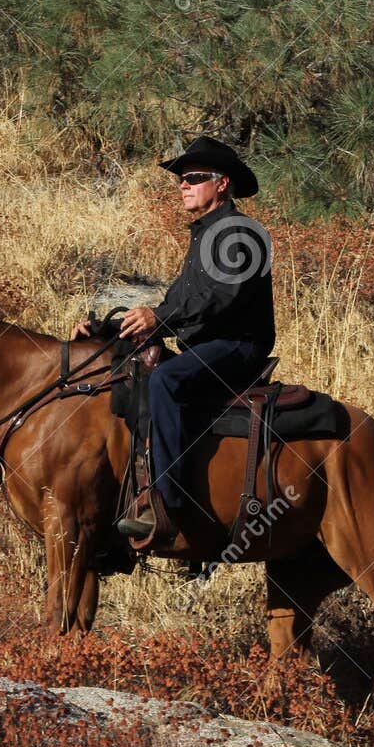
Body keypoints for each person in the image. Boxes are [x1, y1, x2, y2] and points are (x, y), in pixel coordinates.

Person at [72, 136, 275, 543]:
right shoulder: (203, 236)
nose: (183, 184)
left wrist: (160, 317)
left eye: (195, 177)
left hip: (239, 346)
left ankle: (169, 503)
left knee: (167, 380)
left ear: (222, 184)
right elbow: (177, 307)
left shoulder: (242, 232)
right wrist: (109, 330)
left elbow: (223, 295)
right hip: (206, 347)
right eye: (181, 179)